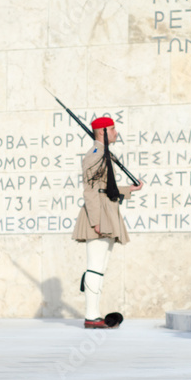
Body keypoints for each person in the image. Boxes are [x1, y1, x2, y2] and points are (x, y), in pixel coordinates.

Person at [72, 117, 143, 328]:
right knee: (94, 266)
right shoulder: (94, 155)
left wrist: (129, 189)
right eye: (112, 129)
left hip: (107, 210)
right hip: (100, 214)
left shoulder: (104, 154)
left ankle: (94, 313)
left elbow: (105, 186)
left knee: (100, 267)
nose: (116, 132)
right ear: (102, 131)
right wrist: (95, 221)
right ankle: (91, 316)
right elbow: (90, 190)